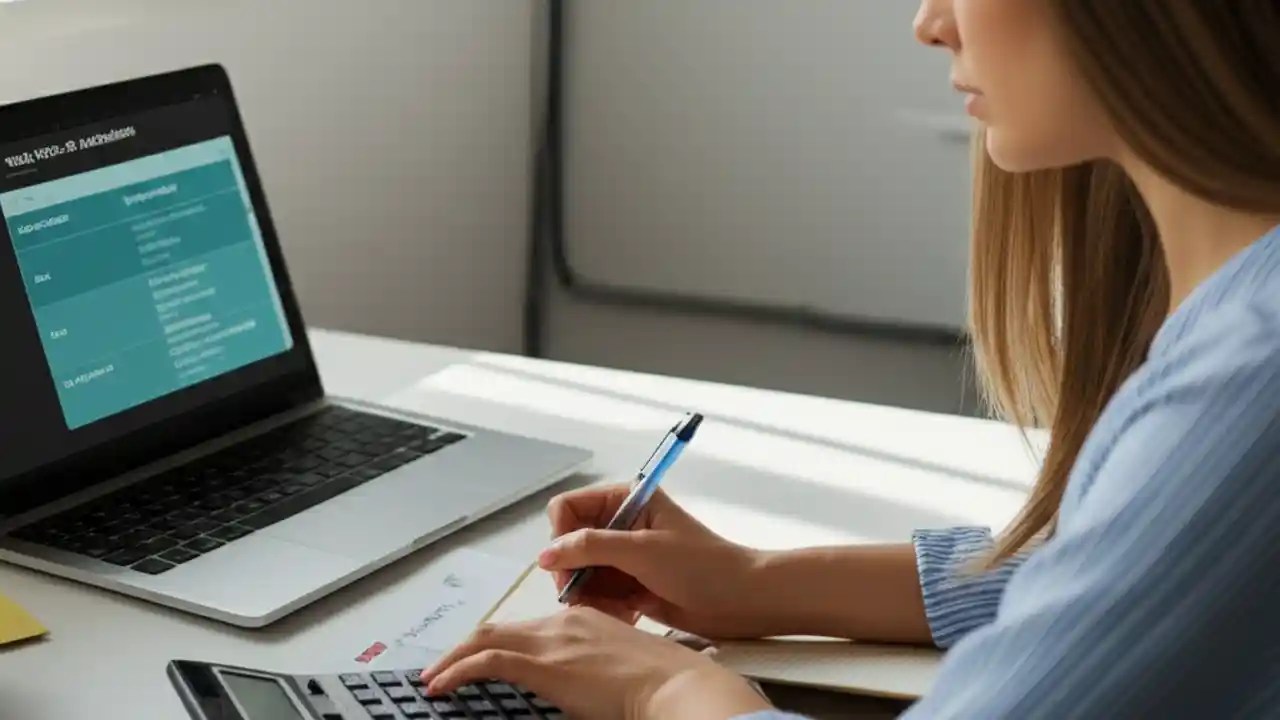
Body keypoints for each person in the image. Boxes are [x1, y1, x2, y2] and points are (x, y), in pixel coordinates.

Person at [422, 0, 1280, 717]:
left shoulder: (1250, 378)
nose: (930, 22)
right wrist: (757, 583)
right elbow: (1122, 576)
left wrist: (669, 691)